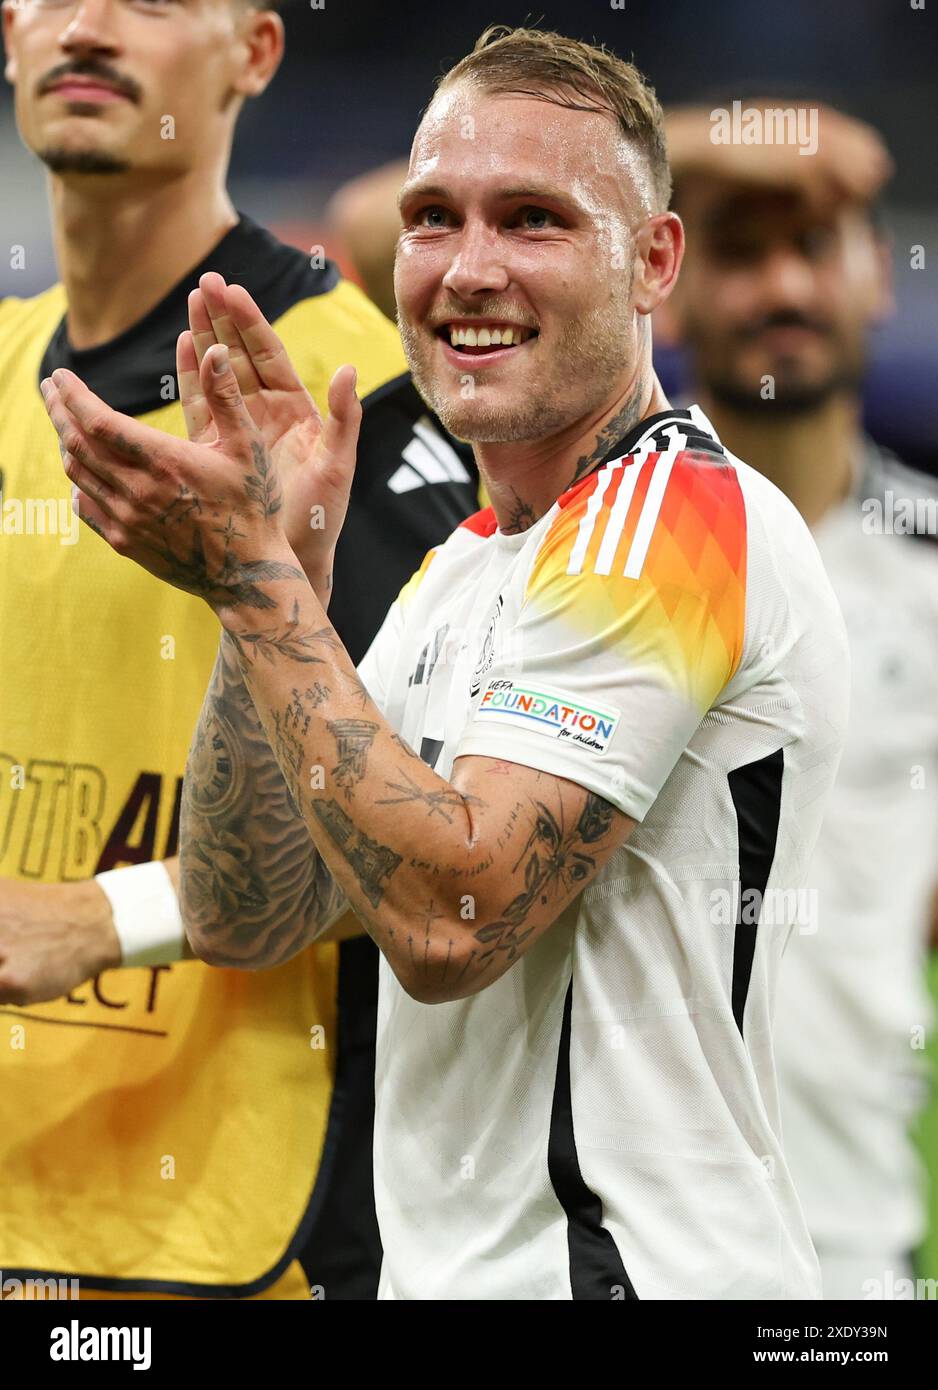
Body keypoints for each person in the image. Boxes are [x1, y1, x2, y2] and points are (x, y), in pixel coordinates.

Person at [47, 24, 850, 1300]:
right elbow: (246, 912)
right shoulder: (462, 567)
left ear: (653, 262)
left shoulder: (676, 516)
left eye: (531, 219)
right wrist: (289, 576)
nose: (467, 270)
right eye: (432, 218)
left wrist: (255, 588)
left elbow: (445, 917)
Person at [0, 0, 475, 1299]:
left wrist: (106, 912)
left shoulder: (351, 394)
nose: (88, 27)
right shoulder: (1, 370)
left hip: (241, 1234)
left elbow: (439, 852)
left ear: (256, 53)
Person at [658, 101, 938, 1299]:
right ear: (658, 282)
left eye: (813, 243)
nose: (779, 281)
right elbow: (367, 232)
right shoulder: (592, 544)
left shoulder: (929, 568)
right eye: (732, 245)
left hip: (851, 1249)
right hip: (625, 1248)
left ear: (879, 273)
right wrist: (688, 147)